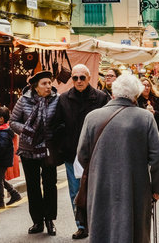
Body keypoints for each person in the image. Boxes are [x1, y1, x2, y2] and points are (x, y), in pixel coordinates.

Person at [77, 74, 159, 243]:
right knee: (135, 230)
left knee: (102, 227)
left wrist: (98, 170)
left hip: (100, 184)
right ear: (136, 95)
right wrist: (157, 188)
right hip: (135, 186)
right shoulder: (145, 117)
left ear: (113, 93)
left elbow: (82, 154)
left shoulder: (92, 117)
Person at [57, 64, 109, 240]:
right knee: (76, 192)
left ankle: (96, 224)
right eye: (75, 78)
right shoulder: (63, 99)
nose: (78, 81)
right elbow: (57, 124)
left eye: (82, 77)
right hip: (72, 154)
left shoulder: (101, 98)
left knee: (97, 191)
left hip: (96, 154)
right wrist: (62, 145)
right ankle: (81, 225)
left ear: (88, 78)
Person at [10, 69, 62, 236]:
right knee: (32, 186)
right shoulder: (24, 100)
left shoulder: (57, 100)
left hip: (47, 148)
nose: (48, 86)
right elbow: (13, 121)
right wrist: (26, 131)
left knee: (49, 184)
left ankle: (49, 219)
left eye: (49, 83)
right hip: (28, 149)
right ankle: (37, 221)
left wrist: (55, 133)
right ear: (35, 87)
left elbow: (62, 121)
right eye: (44, 84)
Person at [0, 104, 22, 208]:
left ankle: (0, 201)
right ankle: (14, 194)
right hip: (2, 158)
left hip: (2, 158)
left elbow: (1, 147)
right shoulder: (0, 129)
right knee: (0, 179)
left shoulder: (2, 132)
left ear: (1, 119)